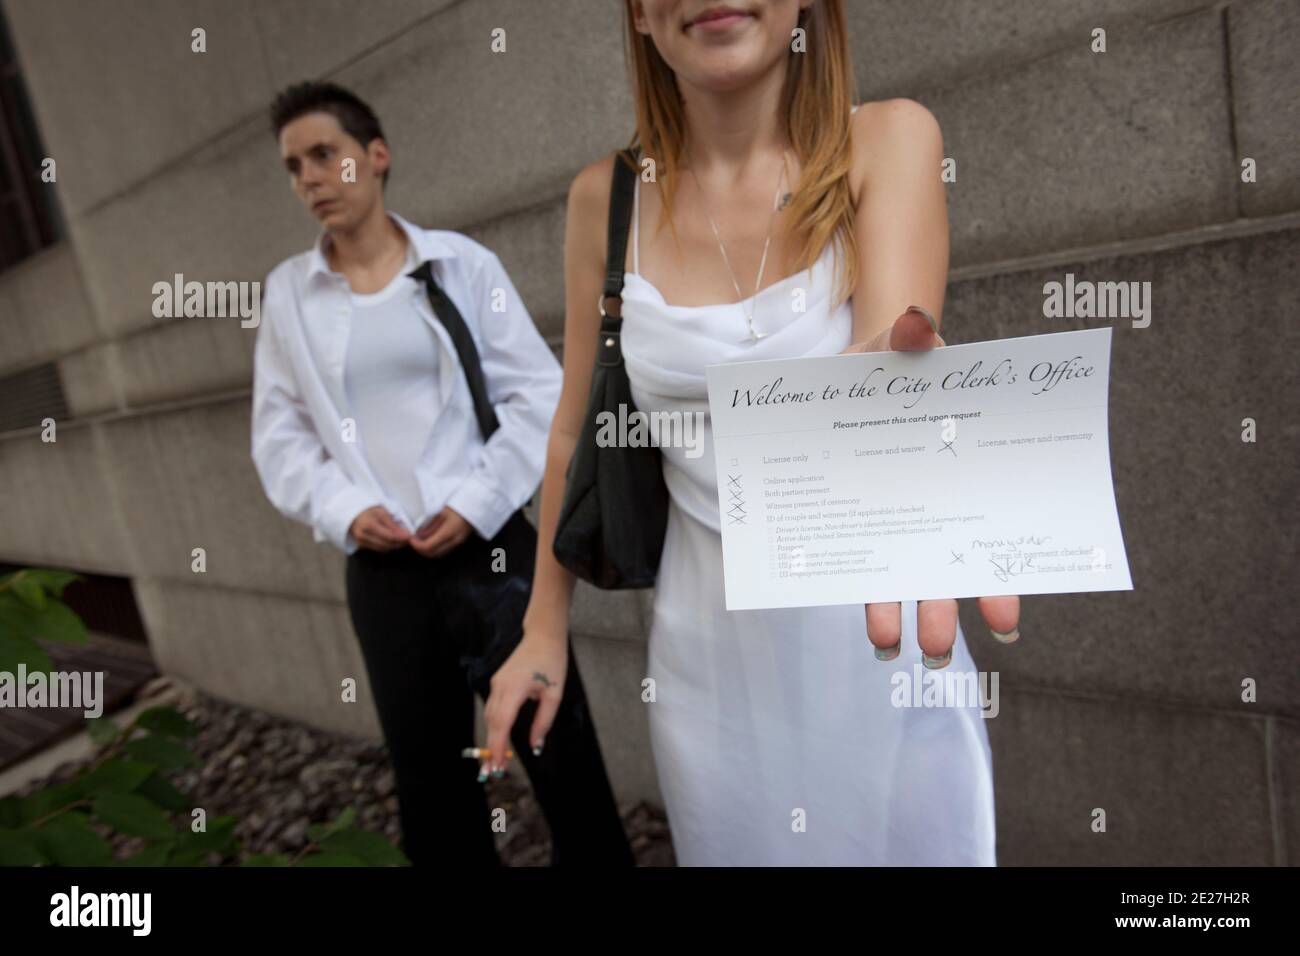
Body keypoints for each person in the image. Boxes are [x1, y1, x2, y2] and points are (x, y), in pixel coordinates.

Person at [483, 0, 1021, 865]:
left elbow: (882, 366)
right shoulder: (603, 199)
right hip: (707, 666)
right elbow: (573, 426)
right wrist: (543, 630)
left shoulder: (888, 141)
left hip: (872, 637)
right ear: (638, 15)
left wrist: (903, 384)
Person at [249, 81, 632, 866]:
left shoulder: (459, 264)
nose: (310, 179)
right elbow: (279, 432)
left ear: (376, 156)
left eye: (325, 155)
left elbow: (537, 395)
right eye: (294, 167)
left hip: (492, 557)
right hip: (384, 574)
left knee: (558, 753)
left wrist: (478, 498)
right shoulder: (289, 293)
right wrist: (345, 507)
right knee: (430, 780)